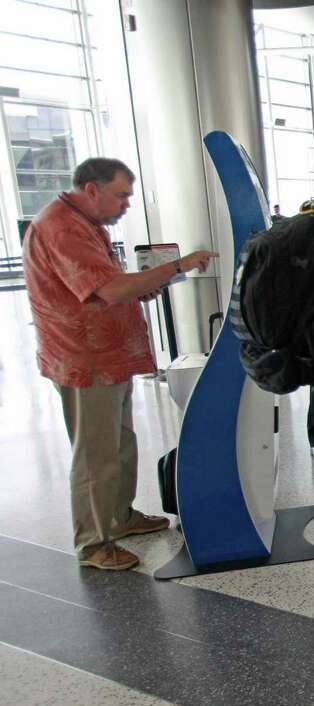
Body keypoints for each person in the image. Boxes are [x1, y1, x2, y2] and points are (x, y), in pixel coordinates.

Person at [22, 157, 216, 571]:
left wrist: (144, 284)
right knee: (96, 453)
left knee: (119, 440)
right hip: (85, 359)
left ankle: (119, 517)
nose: (127, 204)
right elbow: (109, 290)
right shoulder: (62, 227)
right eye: (121, 195)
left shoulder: (85, 223)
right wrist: (177, 266)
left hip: (108, 356)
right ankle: (93, 544)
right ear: (92, 190)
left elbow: (105, 285)